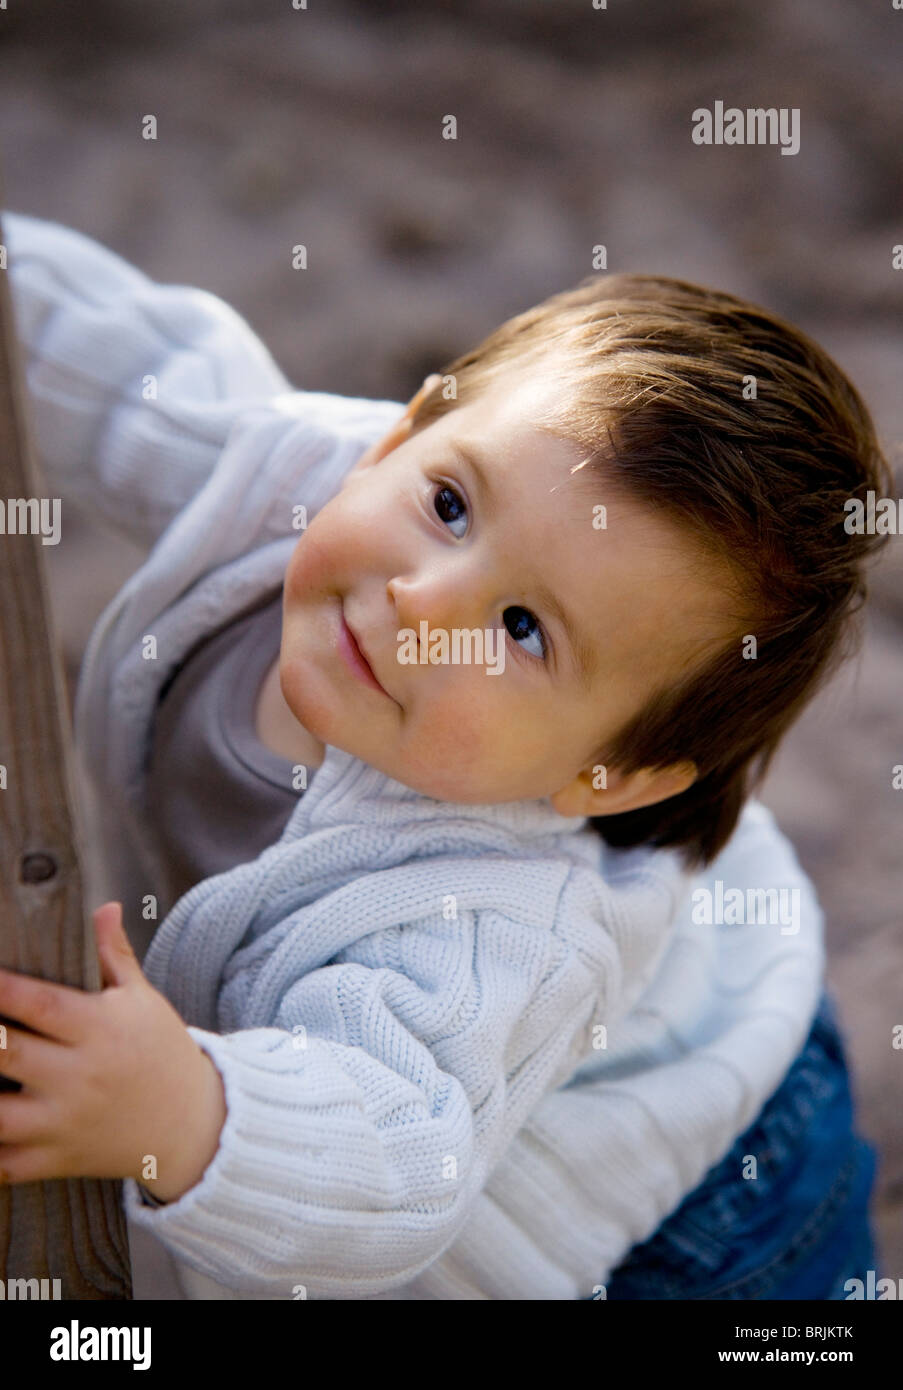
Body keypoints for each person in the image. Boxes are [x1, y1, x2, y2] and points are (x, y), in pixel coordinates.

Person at [0, 210, 885, 1299]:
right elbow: (114, 355)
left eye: (522, 628)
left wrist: (180, 1112)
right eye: (452, 503)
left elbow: (393, 1160)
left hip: (704, 1198)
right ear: (399, 435)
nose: (423, 602)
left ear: (603, 775)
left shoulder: (487, 923)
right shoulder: (278, 475)